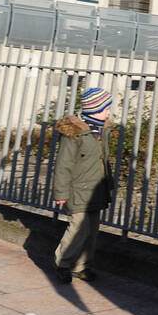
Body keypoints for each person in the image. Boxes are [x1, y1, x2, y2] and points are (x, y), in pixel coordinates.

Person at [51, 87, 115, 283]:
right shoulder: (75, 133)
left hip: (96, 189)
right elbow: (64, 165)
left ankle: (81, 267)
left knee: (92, 229)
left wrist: (108, 184)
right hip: (78, 190)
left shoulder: (100, 131)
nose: (108, 112)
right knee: (79, 227)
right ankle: (63, 263)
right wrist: (60, 192)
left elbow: (102, 160)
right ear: (95, 108)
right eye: (106, 108)